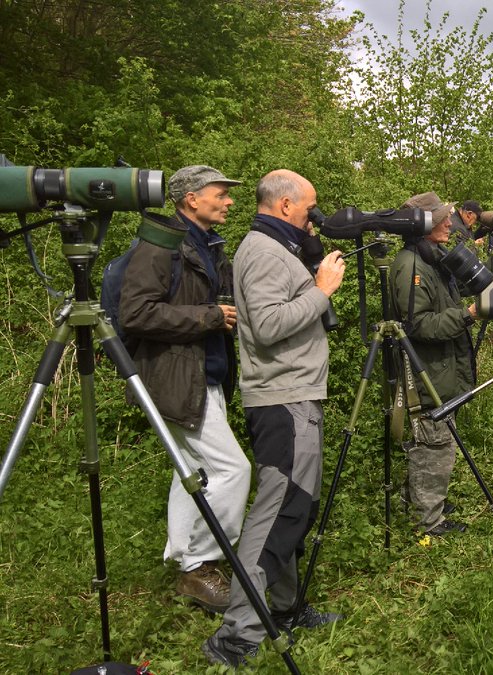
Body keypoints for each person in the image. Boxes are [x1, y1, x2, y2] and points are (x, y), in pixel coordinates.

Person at [203, 169, 346, 666]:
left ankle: (282, 608)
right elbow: (264, 326)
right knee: (277, 509)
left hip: (294, 393)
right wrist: (322, 290)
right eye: (308, 205)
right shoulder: (262, 251)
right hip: (282, 397)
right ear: (285, 205)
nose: (313, 213)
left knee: (295, 506)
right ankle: (237, 634)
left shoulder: (276, 247)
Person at [120, 165, 250, 613]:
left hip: (201, 374)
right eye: (221, 193)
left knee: (192, 470)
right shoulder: (161, 246)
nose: (230, 200)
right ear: (191, 198)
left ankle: (184, 558)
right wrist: (210, 316)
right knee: (233, 470)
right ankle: (202, 564)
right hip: (175, 376)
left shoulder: (207, 245)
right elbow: (135, 314)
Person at [389, 191, 476, 537]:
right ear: (421, 226)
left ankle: (425, 499)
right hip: (427, 373)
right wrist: (467, 316)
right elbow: (419, 326)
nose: (448, 223)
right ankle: (428, 521)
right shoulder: (411, 266)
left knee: (437, 440)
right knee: (434, 442)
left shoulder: (430, 258)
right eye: (440, 218)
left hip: (441, 370)